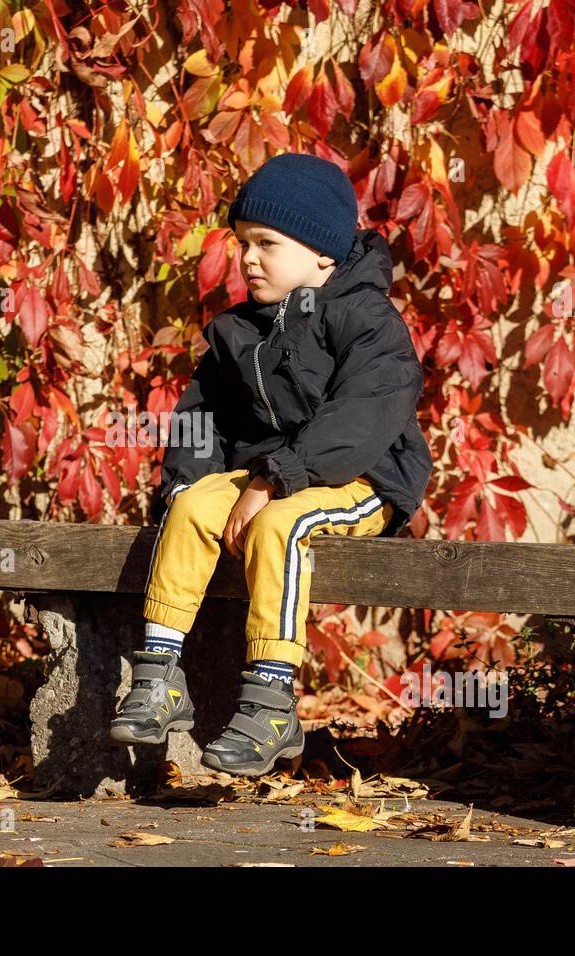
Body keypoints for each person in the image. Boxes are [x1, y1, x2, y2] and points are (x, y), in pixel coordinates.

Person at [109, 151, 433, 776]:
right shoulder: (239, 330)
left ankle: (270, 699)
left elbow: (363, 416)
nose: (248, 258)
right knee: (195, 504)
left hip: (364, 478)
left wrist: (274, 479)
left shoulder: (366, 321)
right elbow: (202, 417)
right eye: (242, 244)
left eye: (266, 243)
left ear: (322, 254)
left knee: (280, 525)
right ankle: (158, 676)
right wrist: (182, 484)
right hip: (274, 475)